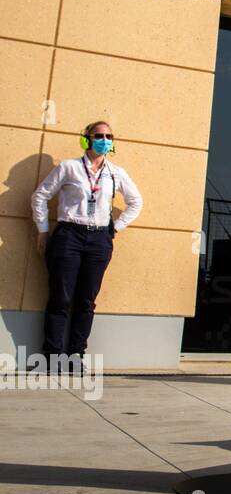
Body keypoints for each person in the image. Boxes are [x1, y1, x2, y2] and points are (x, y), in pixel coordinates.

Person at [30, 121, 143, 367]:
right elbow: (40, 195)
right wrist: (42, 231)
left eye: (108, 135)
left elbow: (136, 201)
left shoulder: (116, 172)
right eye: (98, 135)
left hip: (99, 239)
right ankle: (51, 355)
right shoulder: (69, 168)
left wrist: (116, 226)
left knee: (86, 300)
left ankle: (75, 355)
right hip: (69, 235)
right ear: (87, 139)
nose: (104, 139)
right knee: (61, 296)